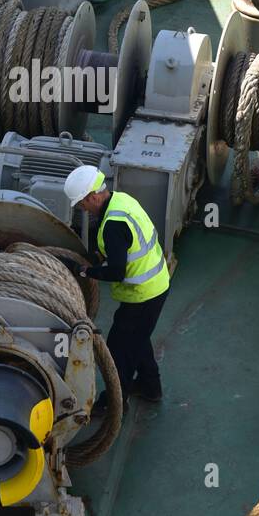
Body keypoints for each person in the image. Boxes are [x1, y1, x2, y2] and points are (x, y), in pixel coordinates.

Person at [63, 166, 170, 409]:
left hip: (142, 295)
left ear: (92, 197)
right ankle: (150, 387)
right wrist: (92, 260)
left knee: (119, 349)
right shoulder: (121, 200)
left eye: (81, 204)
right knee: (138, 339)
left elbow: (116, 271)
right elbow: (119, 249)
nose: (82, 209)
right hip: (156, 285)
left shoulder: (112, 224)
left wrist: (84, 271)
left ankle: (114, 405)